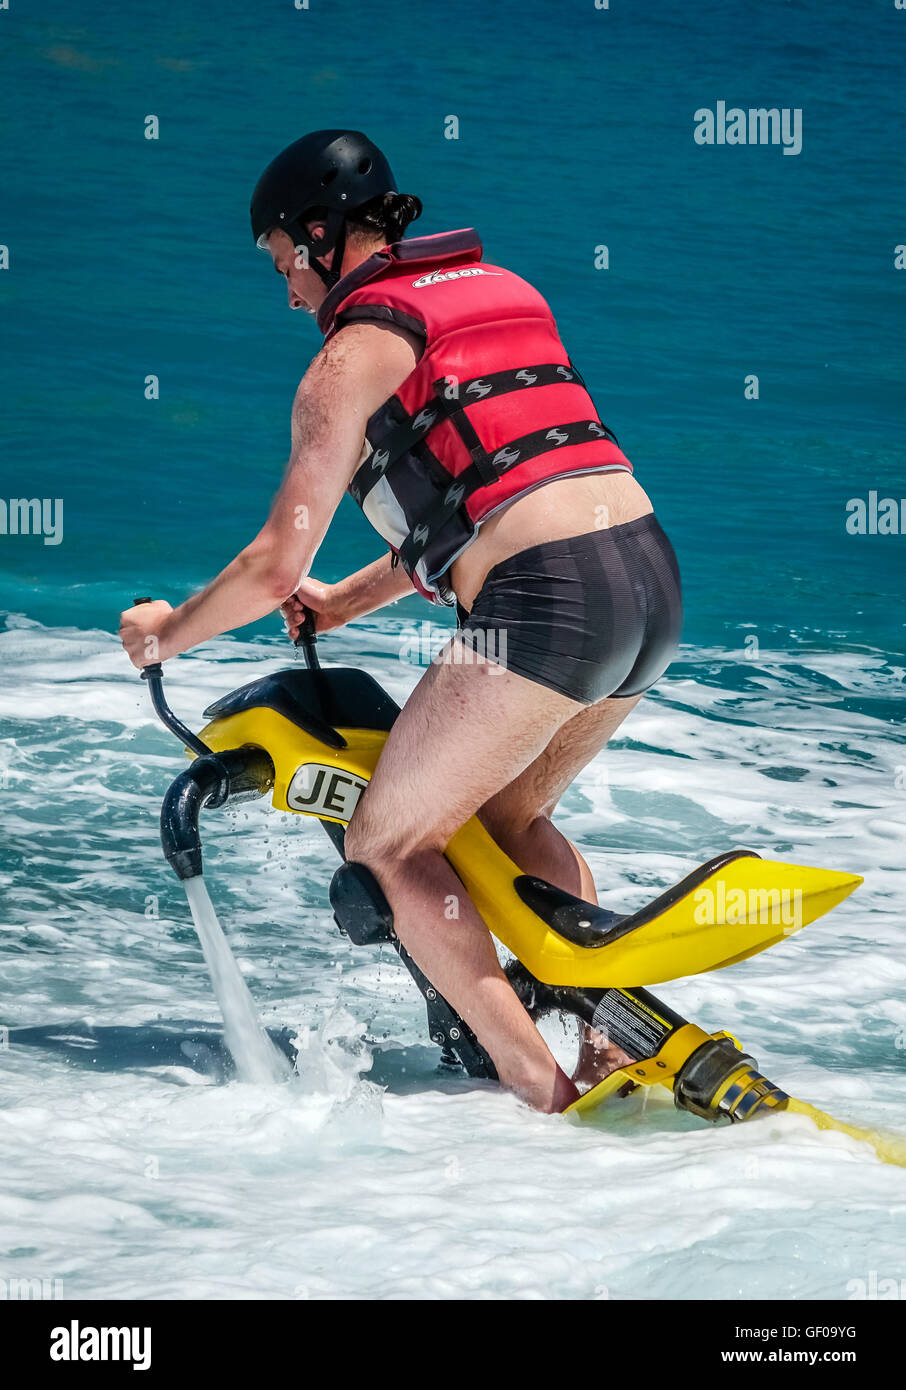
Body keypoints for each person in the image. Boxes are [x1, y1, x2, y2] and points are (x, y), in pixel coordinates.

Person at [120, 130, 682, 1113]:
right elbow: (497, 490)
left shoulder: (346, 360)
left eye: (282, 258)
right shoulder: (504, 288)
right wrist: (344, 601)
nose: (287, 286)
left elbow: (271, 562)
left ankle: (544, 1088)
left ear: (321, 233)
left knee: (387, 840)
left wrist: (165, 634)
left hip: (549, 600)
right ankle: (608, 1042)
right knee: (509, 819)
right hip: (649, 583)